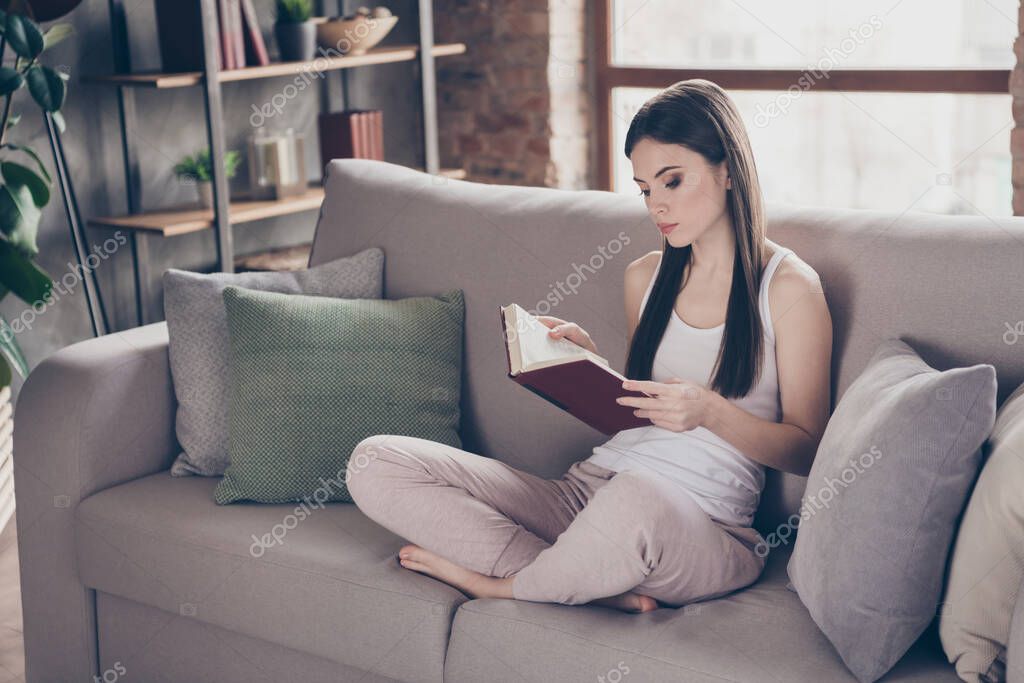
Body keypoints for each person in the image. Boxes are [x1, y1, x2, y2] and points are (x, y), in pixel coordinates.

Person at [346, 78, 833, 614]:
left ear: (728, 170)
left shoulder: (789, 288)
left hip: (702, 527)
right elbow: (637, 418)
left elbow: (809, 449)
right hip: (586, 493)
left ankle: (504, 584)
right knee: (376, 461)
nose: (657, 206)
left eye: (672, 181)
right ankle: (591, 582)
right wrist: (587, 369)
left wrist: (710, 412)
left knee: (636, 499)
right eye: (646, 188)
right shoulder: (644, 278)